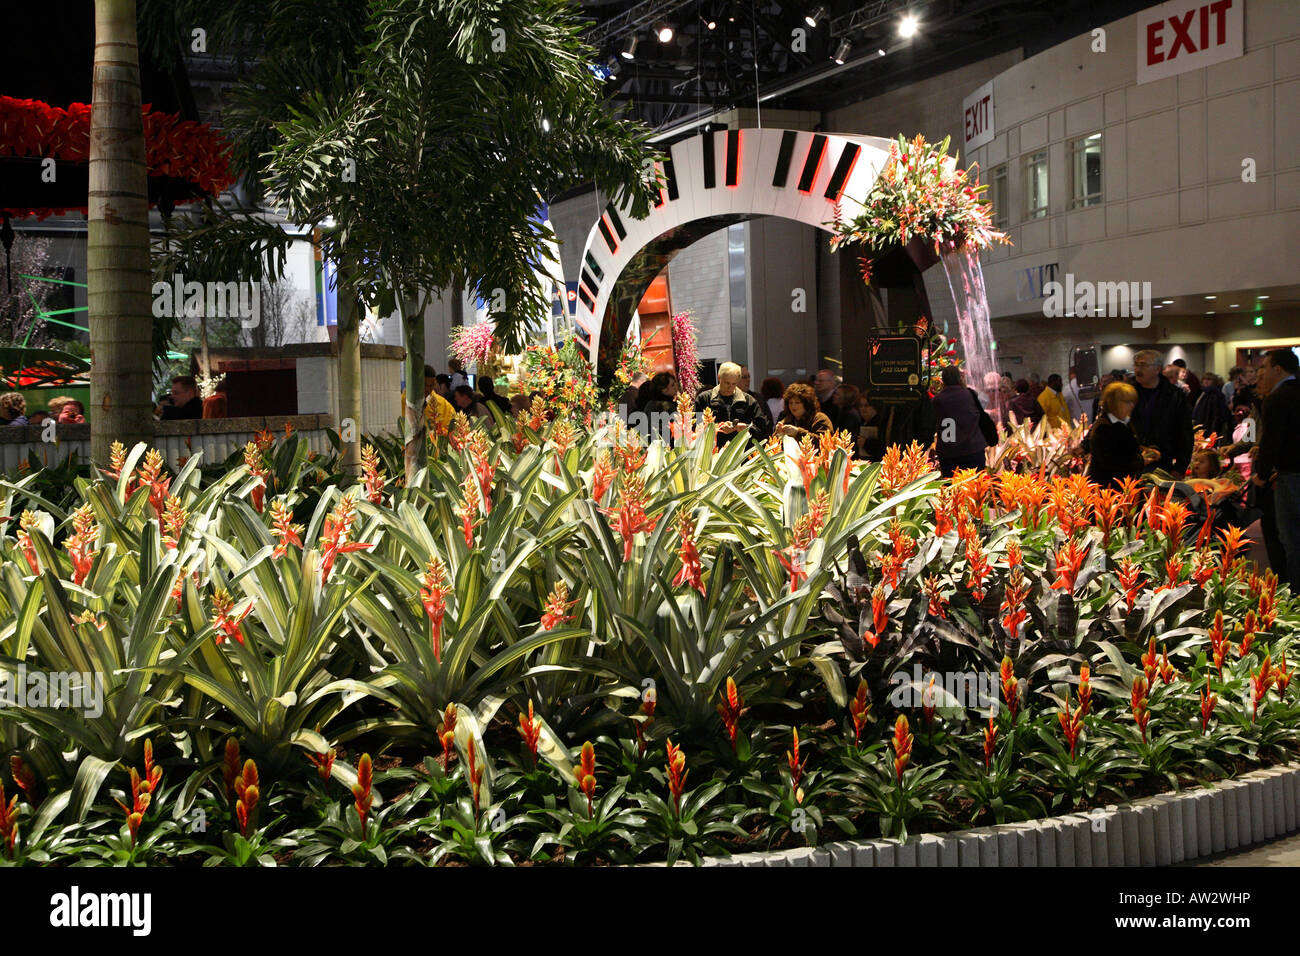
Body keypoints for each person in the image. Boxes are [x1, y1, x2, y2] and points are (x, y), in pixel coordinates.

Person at [1252, 348, 1300, 590]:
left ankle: (1295, 594)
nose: (1261, 375)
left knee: (1291, 539)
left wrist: (1261, 474)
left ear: (1278, 369)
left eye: (1265, 368)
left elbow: (1272, 440)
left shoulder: (1278, 398)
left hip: (1290, 475)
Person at [1131, 350, 1193, 475]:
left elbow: (1185, 432)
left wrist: (1180, 467)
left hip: (1162, 463)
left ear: (1157, 369)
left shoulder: (1174, 395)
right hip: (1131, 461)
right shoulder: (1127, 392)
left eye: (1143, 365)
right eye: (1136, 364)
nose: (1138, 369)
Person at [1087, 381, 1157, 489]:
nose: (1132, 406)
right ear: (1113, 403)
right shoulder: (1104, 427)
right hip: (1109, 488)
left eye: (1133, 402)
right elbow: (1112, 463)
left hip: (1124, 485)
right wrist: (1141, 460)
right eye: (1127, 402)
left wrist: (1146, 450)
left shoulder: (1126, 422)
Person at [930, 367, 990, 477]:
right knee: (976, 486)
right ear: (959, 378)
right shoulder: (971, 395)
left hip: (949, 452)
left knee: (952, 489)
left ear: (942, 380)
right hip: (973, 449)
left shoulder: (937, 400)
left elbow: (932, 424)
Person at [695, 362, 764, 446]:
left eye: (734, 384)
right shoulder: (703, 399)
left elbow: (762, 429)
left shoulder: (749, 401)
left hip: (741, 453)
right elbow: (696, 427)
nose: (730, 387)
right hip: (713, 453)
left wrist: (745, 428)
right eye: (727, 383)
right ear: (719, 378)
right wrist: (717, 427)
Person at [1192, 373, 1232, 444]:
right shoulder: (1203, 393)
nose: (1206, 381)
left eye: (1209, 379)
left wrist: (1213, 431)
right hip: (1201, 426)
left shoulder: (1216, 395)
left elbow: (1217, 415)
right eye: (1204, 379)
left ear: (1214, 381)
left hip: (1209, 427)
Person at [739, 367, 774, 438]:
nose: (748, 380)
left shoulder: (758, 398)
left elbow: (768, 423)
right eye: (744, 377)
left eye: (749, 377)